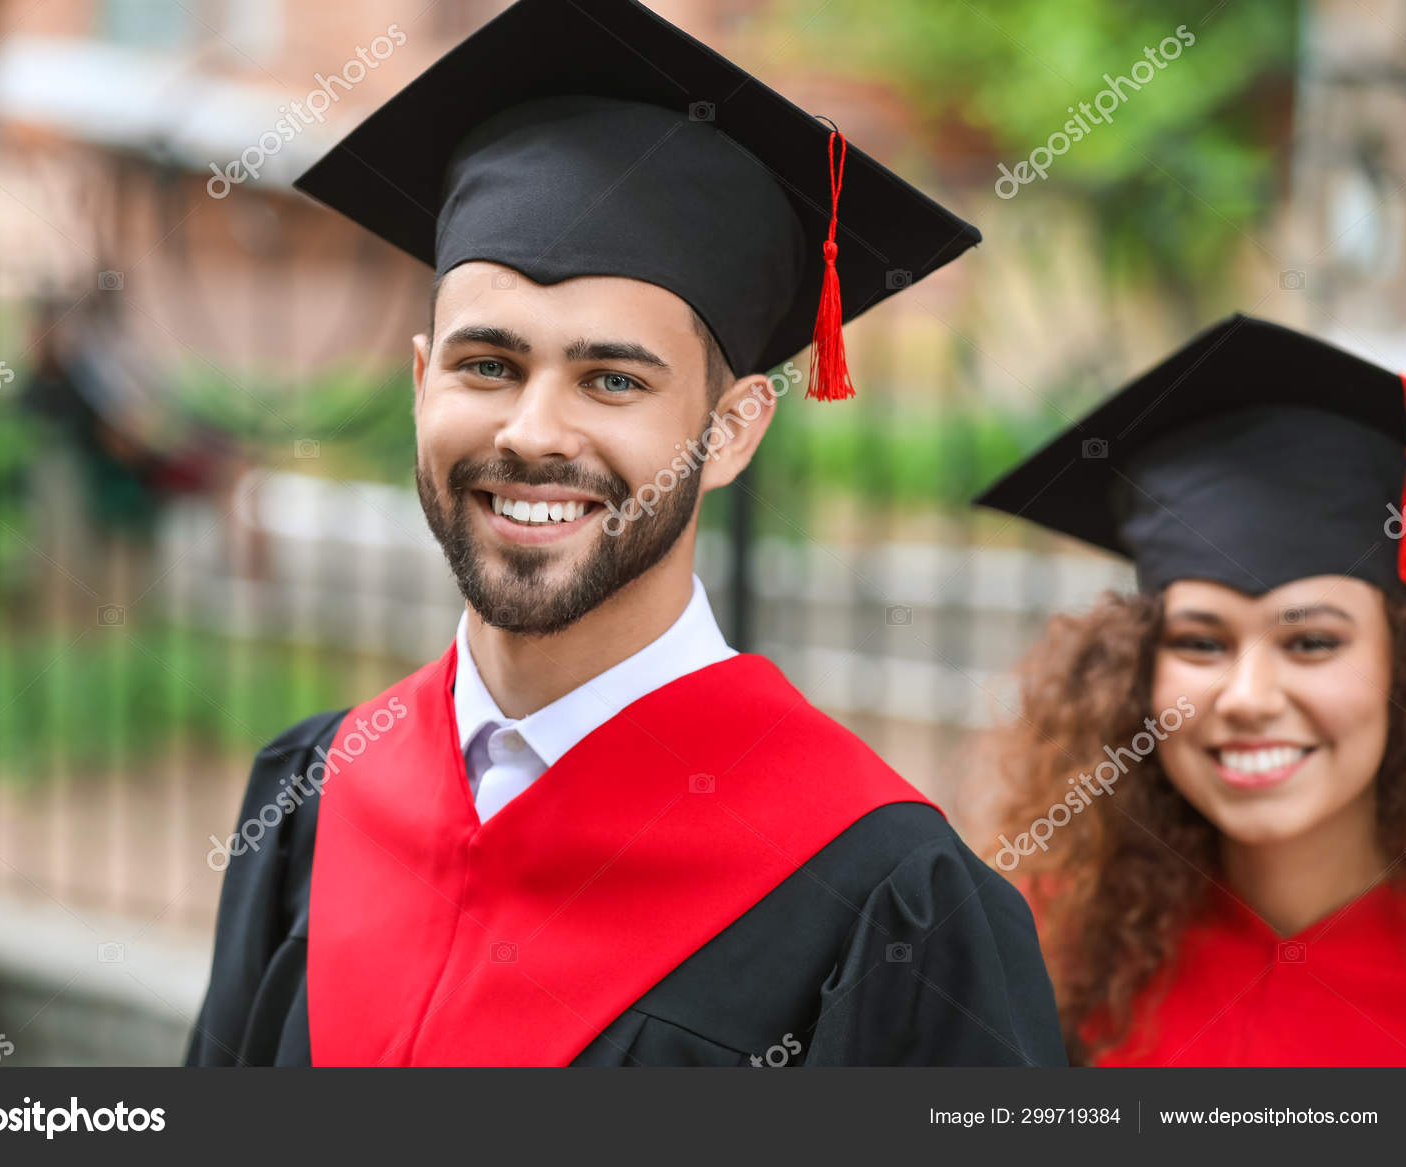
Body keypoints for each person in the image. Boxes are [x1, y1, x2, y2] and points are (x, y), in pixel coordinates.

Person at [185, 0, 1064, 1067]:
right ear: (421, 385)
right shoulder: (313, 800)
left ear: (732, 430)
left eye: (610, 379)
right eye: (487, 365)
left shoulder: (885, 903)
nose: (531, 431)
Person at [974, 313, 1406, 1066]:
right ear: (1137, 671)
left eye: (1312, 641)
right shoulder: (1051, 948)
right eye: (1200, 642)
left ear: (1400, 666)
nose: (1247, 696)